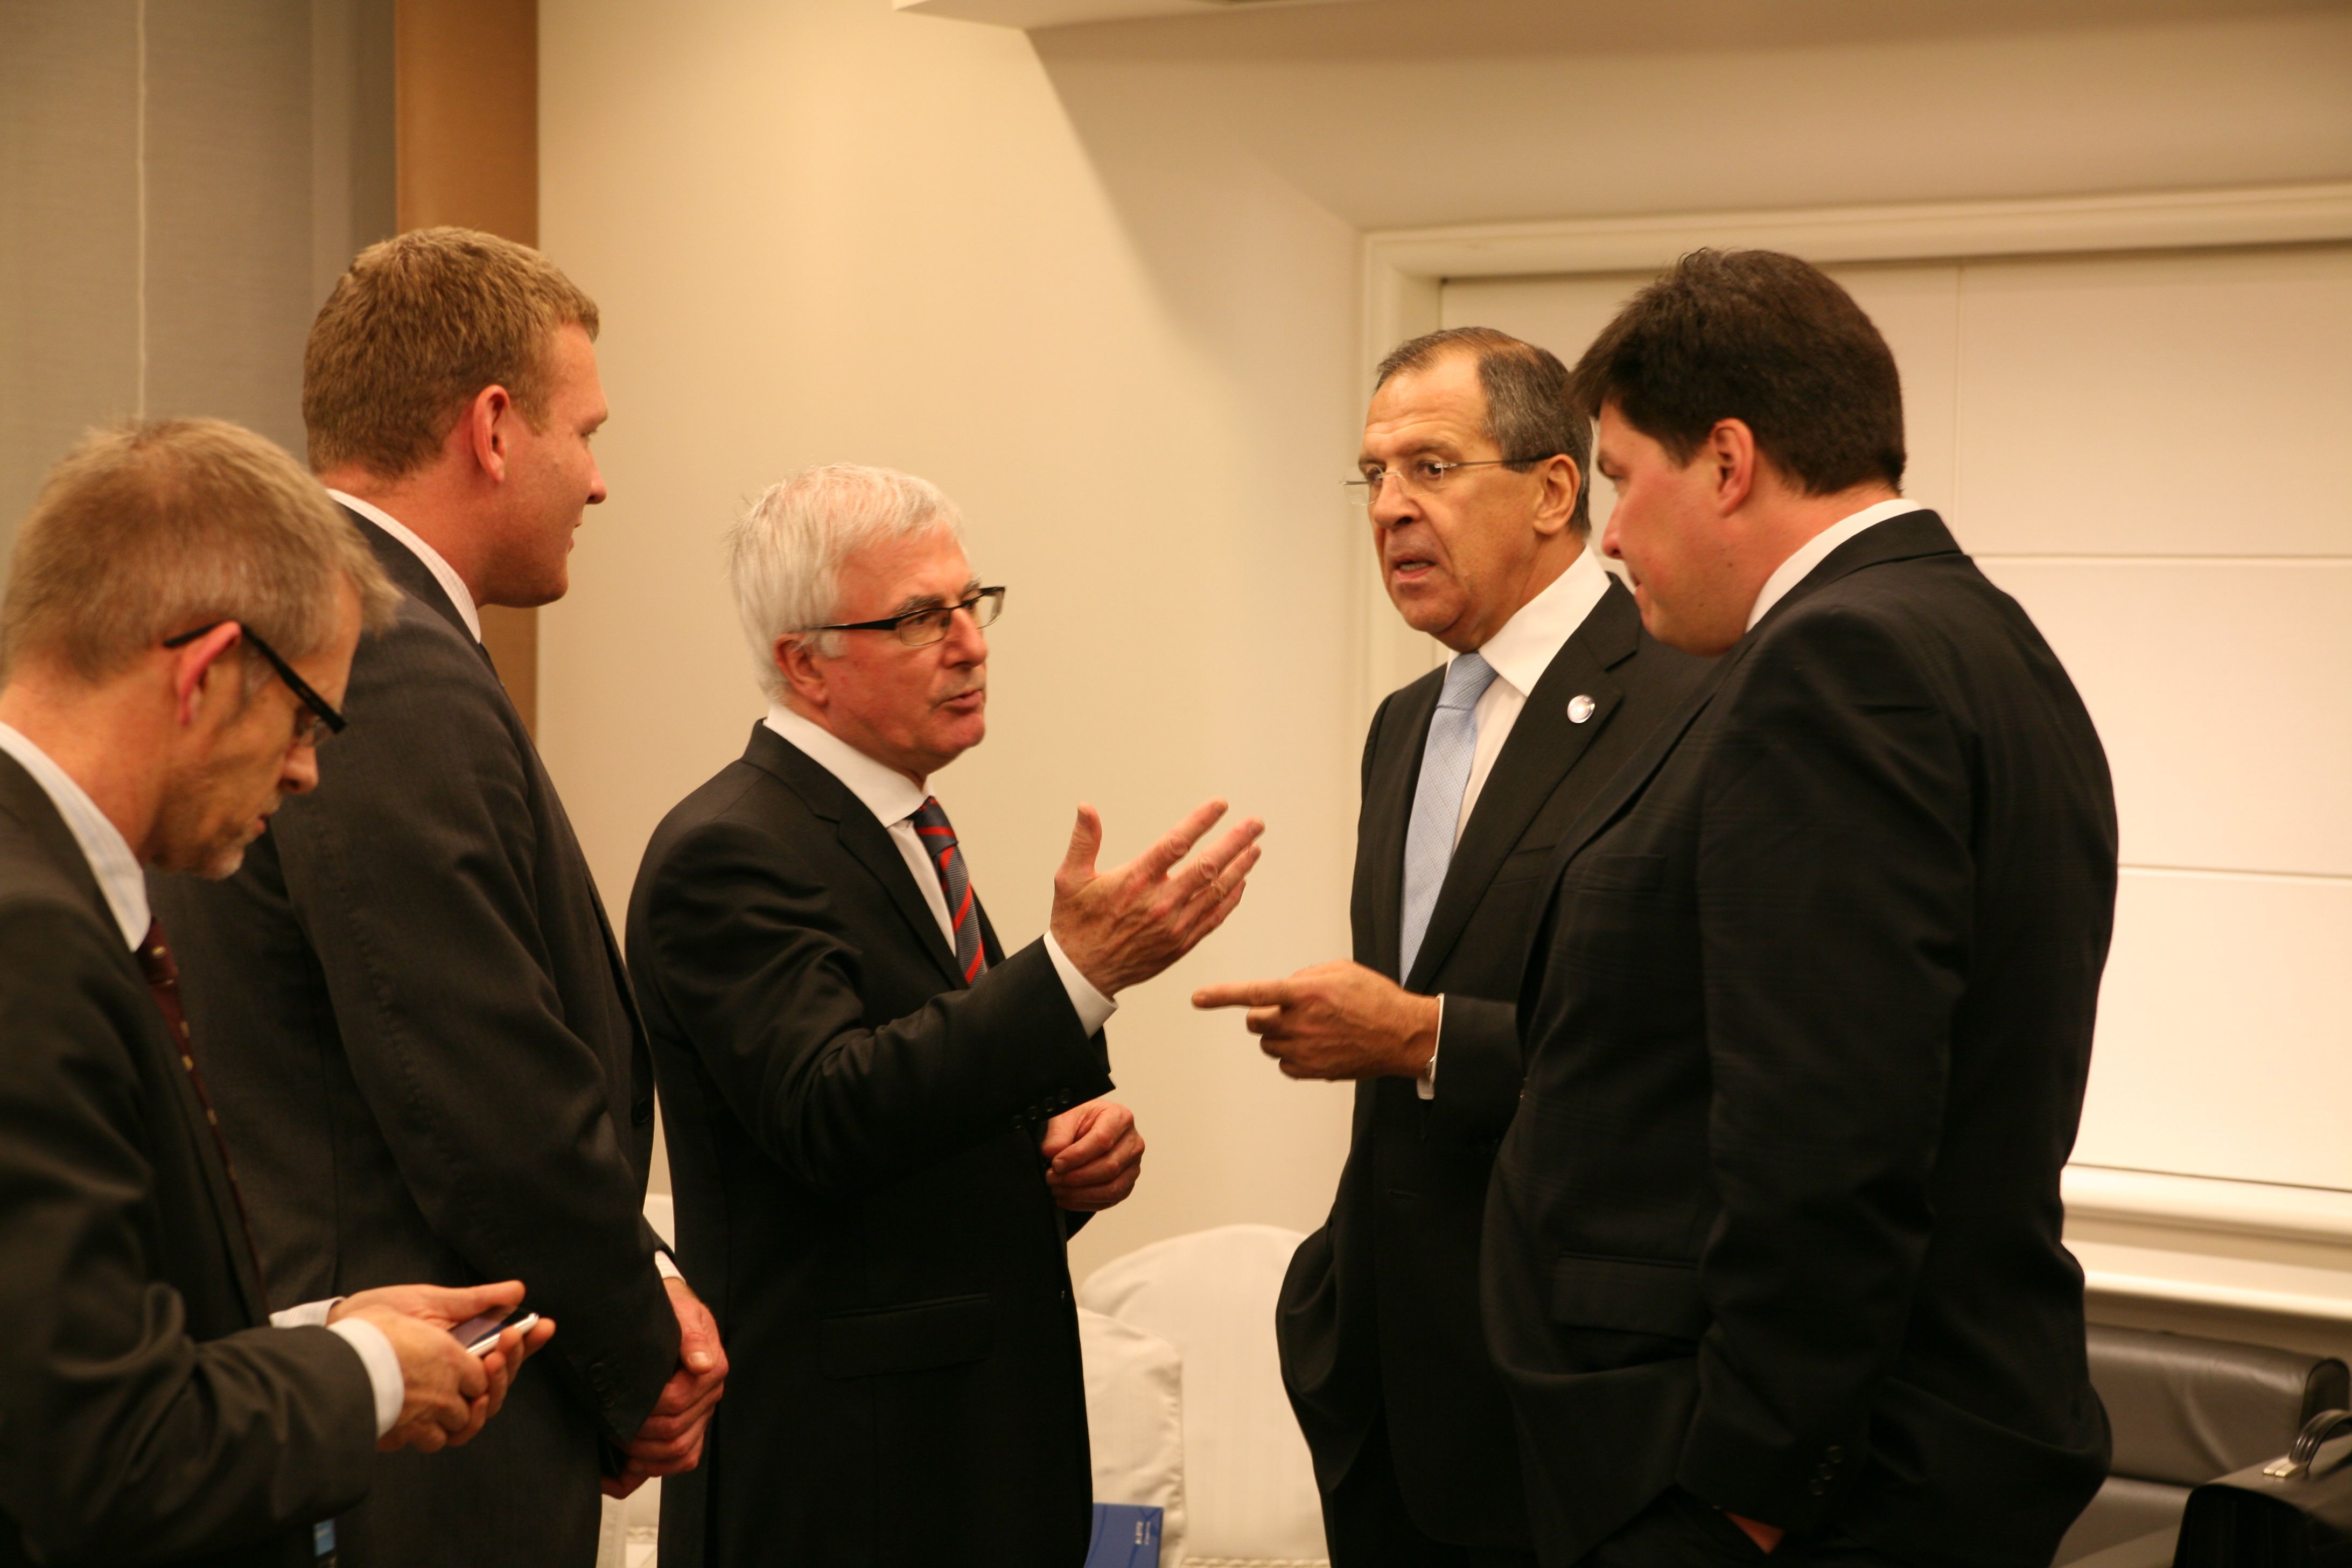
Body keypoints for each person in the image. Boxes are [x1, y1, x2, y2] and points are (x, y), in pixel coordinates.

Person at [1484, 249, 2116, 1567]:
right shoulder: (1986, 637)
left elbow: (1831, 1134)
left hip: (1809, 1488)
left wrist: (1749, 1492)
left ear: (1727, 460)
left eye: (1617, 477)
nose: (1605, 534)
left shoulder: (1838, 662)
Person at [148, 229, 722, 1568]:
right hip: (420, 1428)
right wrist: (640, 1359)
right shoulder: (382, 648)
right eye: (585, 432)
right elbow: (473, 1083)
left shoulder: (339, 619)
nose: (600, 478)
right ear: (494, 427)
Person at [628, 463, 1263, 1567]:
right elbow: (832, 1111)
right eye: (920, 617)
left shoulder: (902, 824)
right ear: (802, 662)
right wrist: (1072, 973)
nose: (969, 642)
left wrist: (1061, 1156)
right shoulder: (730, 848)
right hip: (848, 1482)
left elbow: (935, 1125)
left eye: (972, 603)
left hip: (968, 1456)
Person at [1192, 329, 1710, 1567]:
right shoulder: (1407, 722)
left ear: (1552, 489)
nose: (1390, 510)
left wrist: (1423, 1040)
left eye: (1430, 466)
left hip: (1570, 1393)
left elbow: (1695, 1051)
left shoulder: (1697, 700)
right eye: (1372, 477)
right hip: (1384, 1375)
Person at [0, 419, 556, 1567]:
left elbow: (62, 1349)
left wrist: (323, 1335)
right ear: (205, 673)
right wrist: (361, 1377)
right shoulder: (30, 939)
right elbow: (103, 1451)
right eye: (307, 719)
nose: (307, 771)